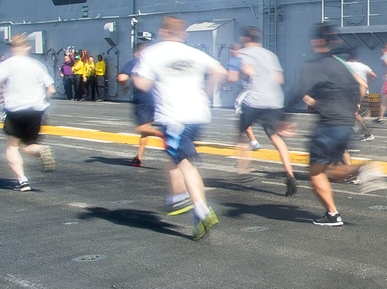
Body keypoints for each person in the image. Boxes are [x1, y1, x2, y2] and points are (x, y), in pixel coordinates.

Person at [133, 16, 228, 240]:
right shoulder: (194, 53)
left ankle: (201, 209)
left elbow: (142, 84)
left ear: (163, 32)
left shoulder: (153, 52)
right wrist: (207, 91)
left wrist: (138, 78)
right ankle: (184, 201)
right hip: (199, 114)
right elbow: (221, 72)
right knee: (182, 159)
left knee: (185, 164)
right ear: (183, 34)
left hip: (174, 116)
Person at [284, 24, 387, 226]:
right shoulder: (342, 65)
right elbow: (359, 86)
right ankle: (358, 174)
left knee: (315, 173)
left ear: (318, 42)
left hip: (328, 123)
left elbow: (297, 91)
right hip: (345, 122)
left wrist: (282, 117)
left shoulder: (314, 66)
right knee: (329, 169)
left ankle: (334, 211)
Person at [233, 26, 298, 196]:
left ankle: (243, 170)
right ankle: (290, 175)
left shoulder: (244, 52)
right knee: (276, 138)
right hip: (274, 101)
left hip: (254, 100)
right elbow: (280, 78)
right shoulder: (271, 55)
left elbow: (247, 71)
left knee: (241, 132)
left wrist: (240, 76)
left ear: (245, 39)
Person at [0, 34, 56, 191]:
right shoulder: (37, 65)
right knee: (28, 145)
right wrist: (42, 101)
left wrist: (1, 92)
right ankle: (40, 150)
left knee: (12, 147)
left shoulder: (8, 64)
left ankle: (22, 181)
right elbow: (51, 88)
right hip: (37, 110)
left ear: (12, 48)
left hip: (16, 110)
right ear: (27, 47)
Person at [116, 42, 162, 171]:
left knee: (140, 127)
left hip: (142, 99)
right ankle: (138, 157)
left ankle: (162, 134)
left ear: (138, 52)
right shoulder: (156, 64)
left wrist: (124, 86)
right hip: (157, 99)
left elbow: (121, 77)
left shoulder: (135, 62)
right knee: (145, 130)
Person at [345, 50, 377, 142]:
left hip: (353, 93)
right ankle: (354, 128)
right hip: (365, 92)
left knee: (355, 114)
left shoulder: (346, 65)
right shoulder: (363, 66)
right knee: (357, 113)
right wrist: (366, 82)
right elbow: (373, 75)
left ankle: (367, 133)